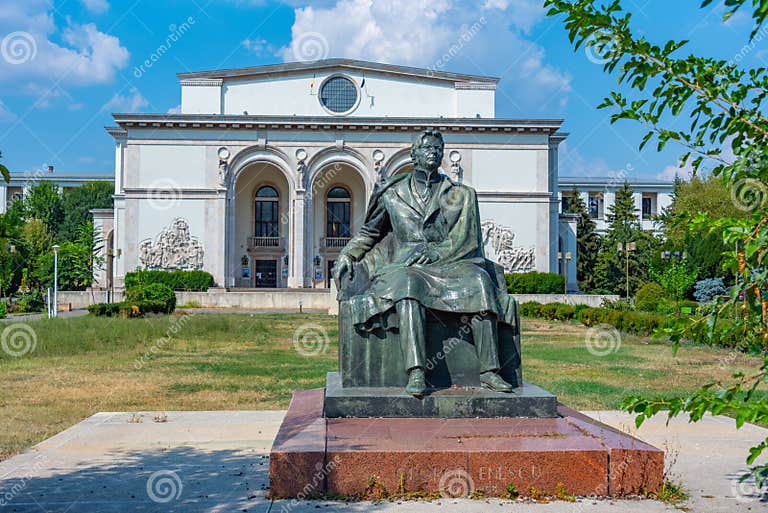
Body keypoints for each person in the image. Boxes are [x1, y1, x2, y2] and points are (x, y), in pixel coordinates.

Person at [333, 129, 514, 397]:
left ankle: (489, 371)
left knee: (480, 281)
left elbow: (468, 239)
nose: (434, 152)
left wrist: (437, 251)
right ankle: (416, 371)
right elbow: (370, 233)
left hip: (450, 262)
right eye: (427, 148)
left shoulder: (461, 194)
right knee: (408, 284)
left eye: (438, 149)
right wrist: (347, 255)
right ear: (413, 154)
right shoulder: (391, 192)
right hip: (405, 266)